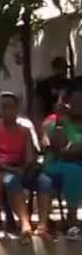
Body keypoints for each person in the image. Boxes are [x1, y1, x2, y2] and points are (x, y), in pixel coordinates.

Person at [0, 92, 53, 239]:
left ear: (17, 108)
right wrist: (13, 170)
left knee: (45, 181)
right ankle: (25, 223)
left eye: (11, 107)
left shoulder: (24, 130)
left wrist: (25, 168)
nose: (8, 110)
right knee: (12, 180)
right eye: (4, 107)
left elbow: (29, 157)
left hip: (20, 167)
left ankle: (42, 225)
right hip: (0, 169)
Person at [46, 86, 82, 237]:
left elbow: (71, 149)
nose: (78, 105)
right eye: (75, 101)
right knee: (73, 170)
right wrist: (60, 119)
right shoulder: (55, 123)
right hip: (56, 165)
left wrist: (74, 148)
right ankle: (72, 219)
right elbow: (62, 150)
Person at [36, 56, 71, 121]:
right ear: (54, 69)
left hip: (66, 119)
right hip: (49, 118)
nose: (64, 71)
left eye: (65, 68)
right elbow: (39, 105)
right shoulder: (44, 85)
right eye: (60, 68)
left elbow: (72, 103)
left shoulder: (70, 84)